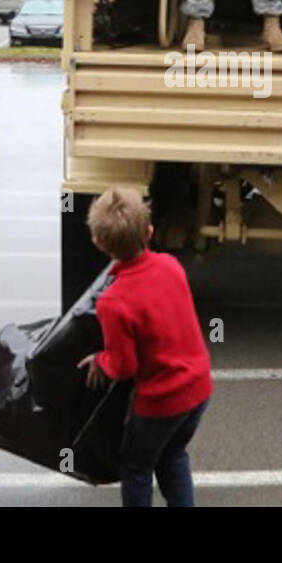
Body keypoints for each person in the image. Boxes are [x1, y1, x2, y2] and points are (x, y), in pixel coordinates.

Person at [76, 187, 213, 506]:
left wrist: (101, 359)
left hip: (160, 402)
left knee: (137, 467)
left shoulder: (114, 301)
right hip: (199, 388)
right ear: (149, 231)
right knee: (173, 455)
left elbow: (125, 367)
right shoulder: (171, 266)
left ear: (98, 242)